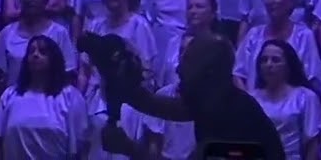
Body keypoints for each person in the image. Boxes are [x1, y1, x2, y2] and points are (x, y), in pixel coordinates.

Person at [101, 32, 287, 159]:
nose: (178, 69)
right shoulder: (218, 98)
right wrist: (126, 87)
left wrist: (129, 148)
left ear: (210, 73)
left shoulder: (235, 119)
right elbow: (163, 107)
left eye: (188, 62)